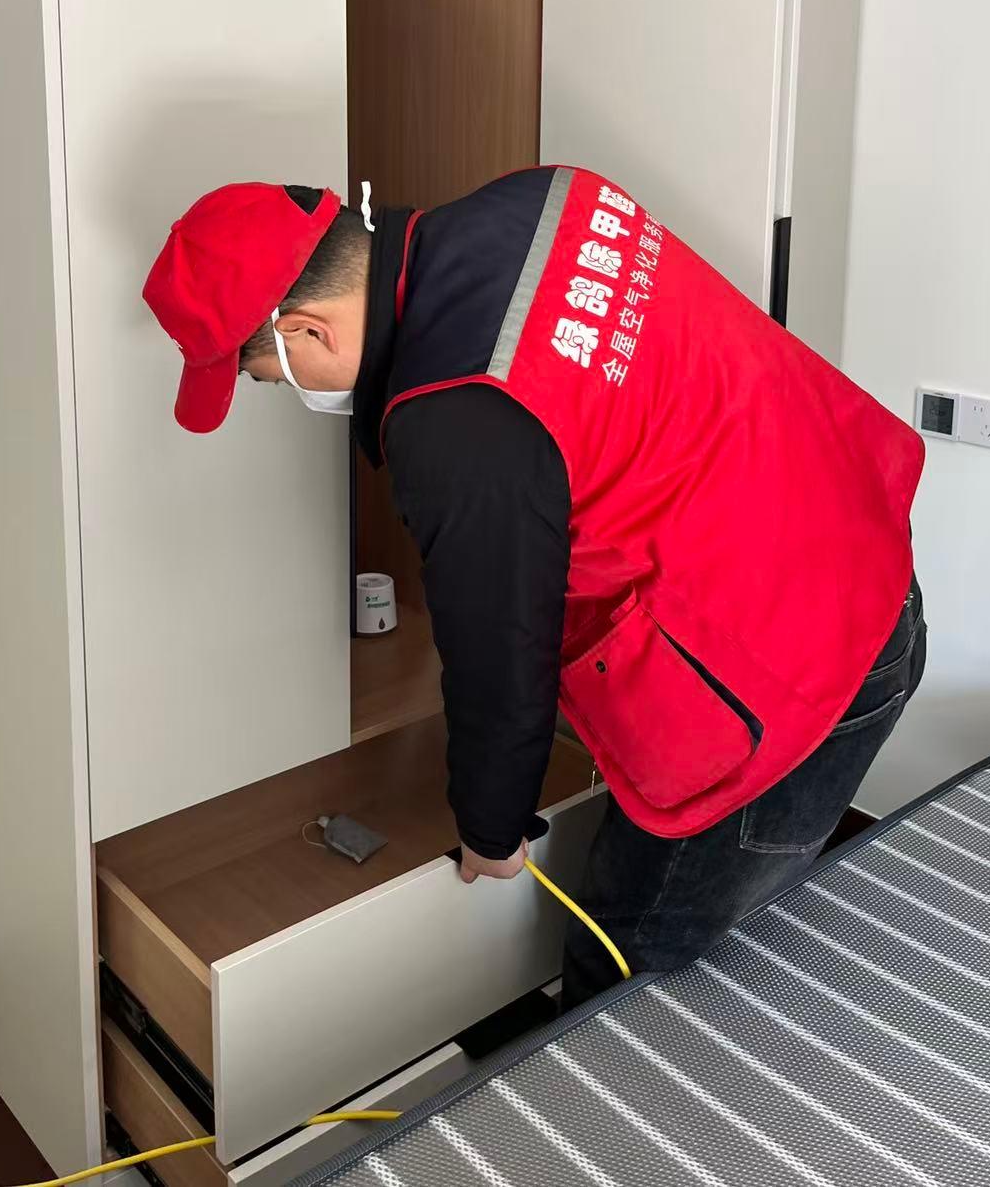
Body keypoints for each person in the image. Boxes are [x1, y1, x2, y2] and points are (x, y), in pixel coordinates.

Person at [144, 170, 925, 1008]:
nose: (283, 392)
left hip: (801, 681)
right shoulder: (541, 197)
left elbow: (500, 660)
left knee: (627, 962)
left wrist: (490, 833)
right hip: (855, 557)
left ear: (306, 329)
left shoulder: (451, 417)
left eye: (267, 376)